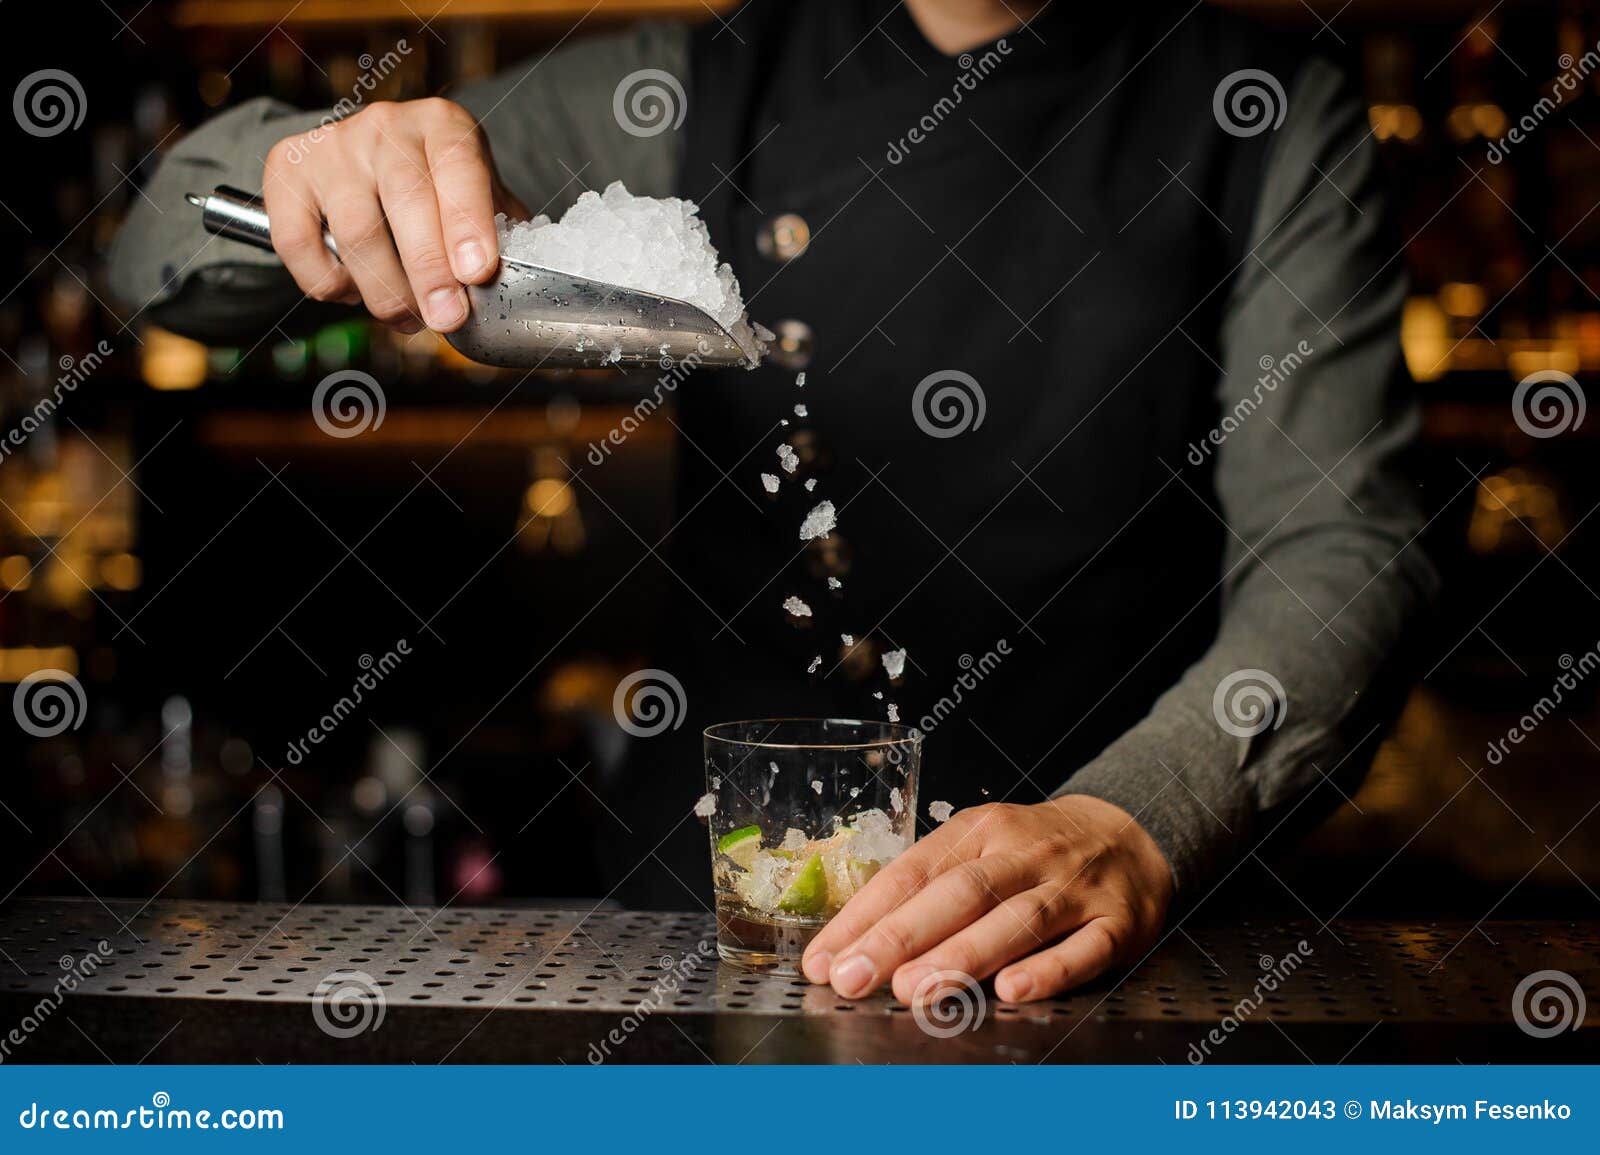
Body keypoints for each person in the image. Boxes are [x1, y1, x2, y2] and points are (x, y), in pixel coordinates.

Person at [110, 0, 1437, 1006]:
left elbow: (1343, 546)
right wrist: (322, 161)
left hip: (1118, 960)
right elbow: (151, 259)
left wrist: (1145, 820)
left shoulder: (1266, 108)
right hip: (706, 946)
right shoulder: (687, 83)